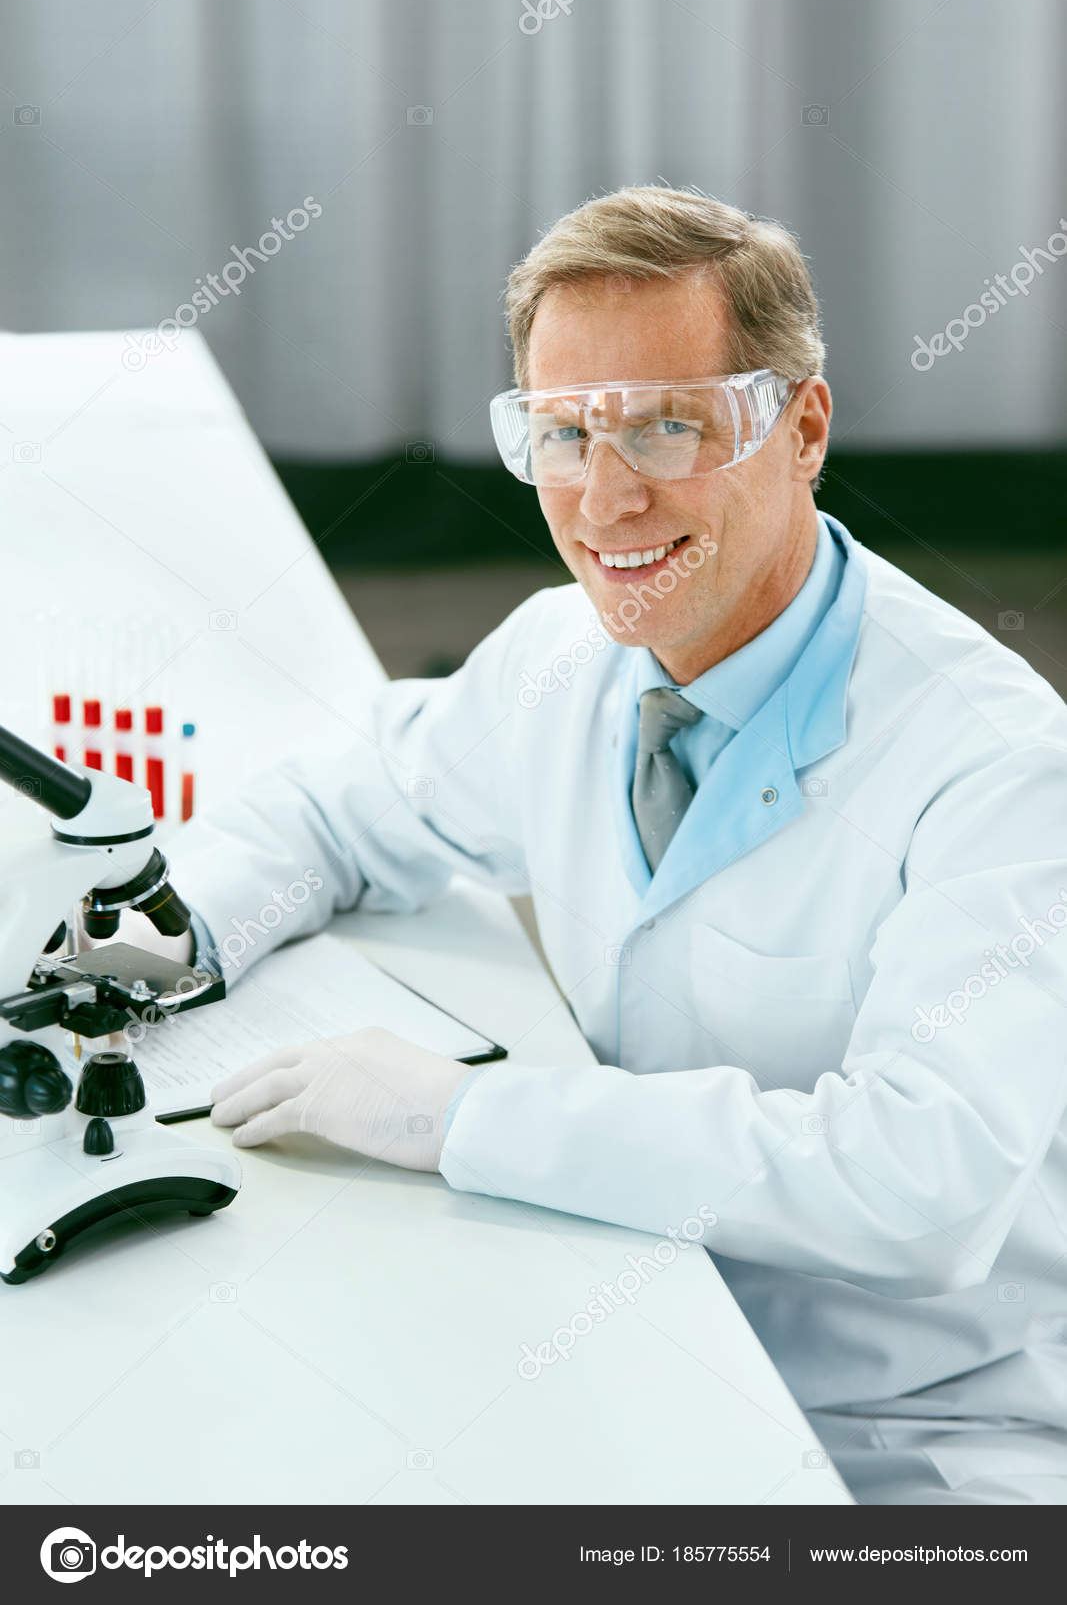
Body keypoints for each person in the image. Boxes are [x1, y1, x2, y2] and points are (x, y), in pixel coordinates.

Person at [165, 186, 1067, 1506]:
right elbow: (339, 805)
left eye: (666, 428)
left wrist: (460, 1114)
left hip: (898, 1437)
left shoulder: (999, 770)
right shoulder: (564, 658)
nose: (606, 497)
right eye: (560, 435)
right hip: (618, 1321)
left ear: (801, 427)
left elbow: (916, 1183)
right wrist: (176, 925)